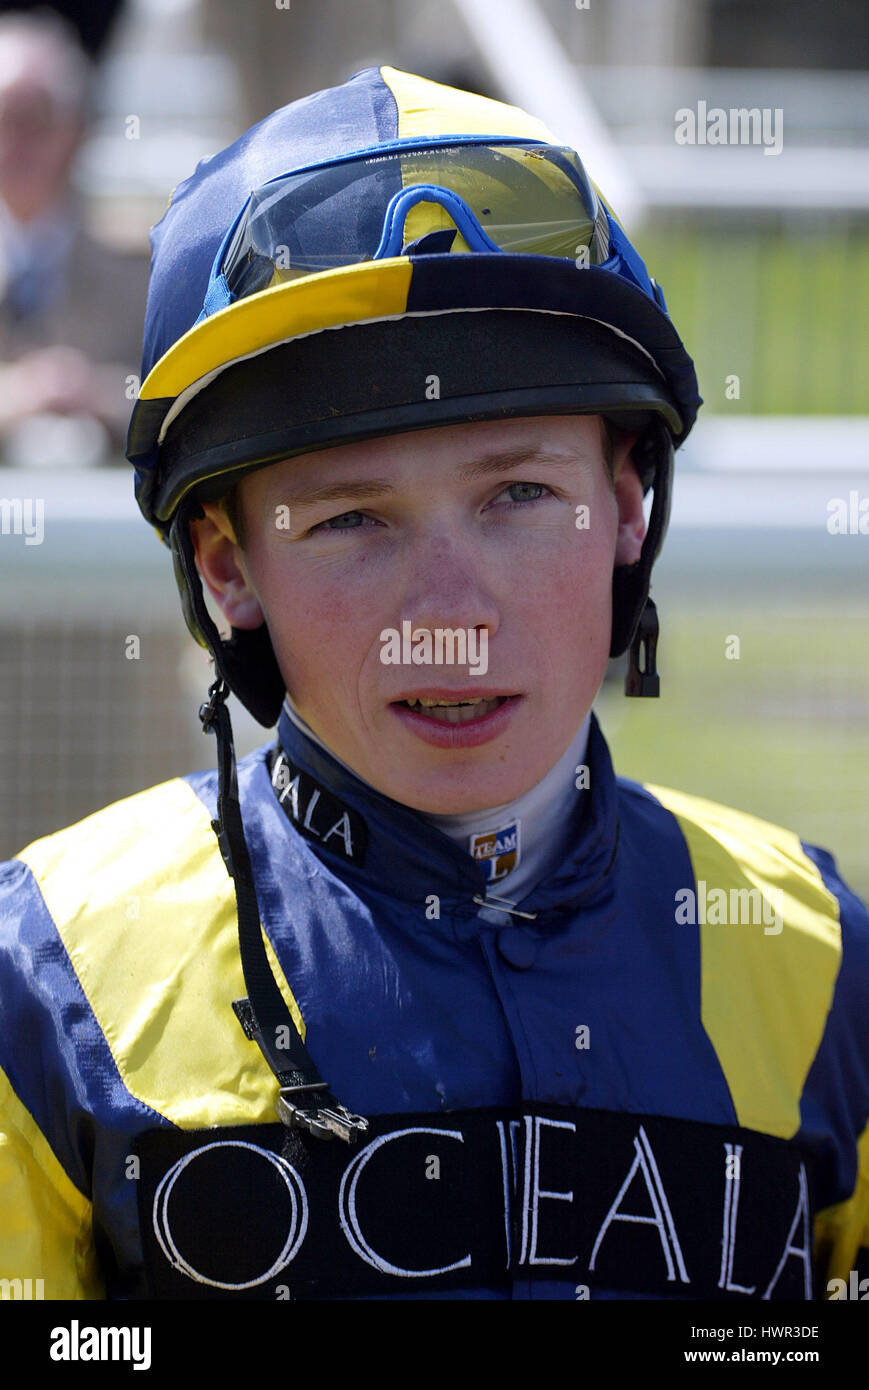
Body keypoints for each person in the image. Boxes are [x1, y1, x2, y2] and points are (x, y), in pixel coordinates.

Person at [0, 65, 866, 1303]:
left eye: (518, 496)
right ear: (227, 567)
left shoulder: (824, 960)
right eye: (353, 520)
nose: (449, 619)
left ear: (626, 508)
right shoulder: (41, 979)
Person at [0, 12, 149, 461]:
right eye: (2, 117)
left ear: (78, 129)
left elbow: (190, 406)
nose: (14, 141)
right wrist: (17, 396)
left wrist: (96, 395)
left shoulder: (140, 264)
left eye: (36, 118)